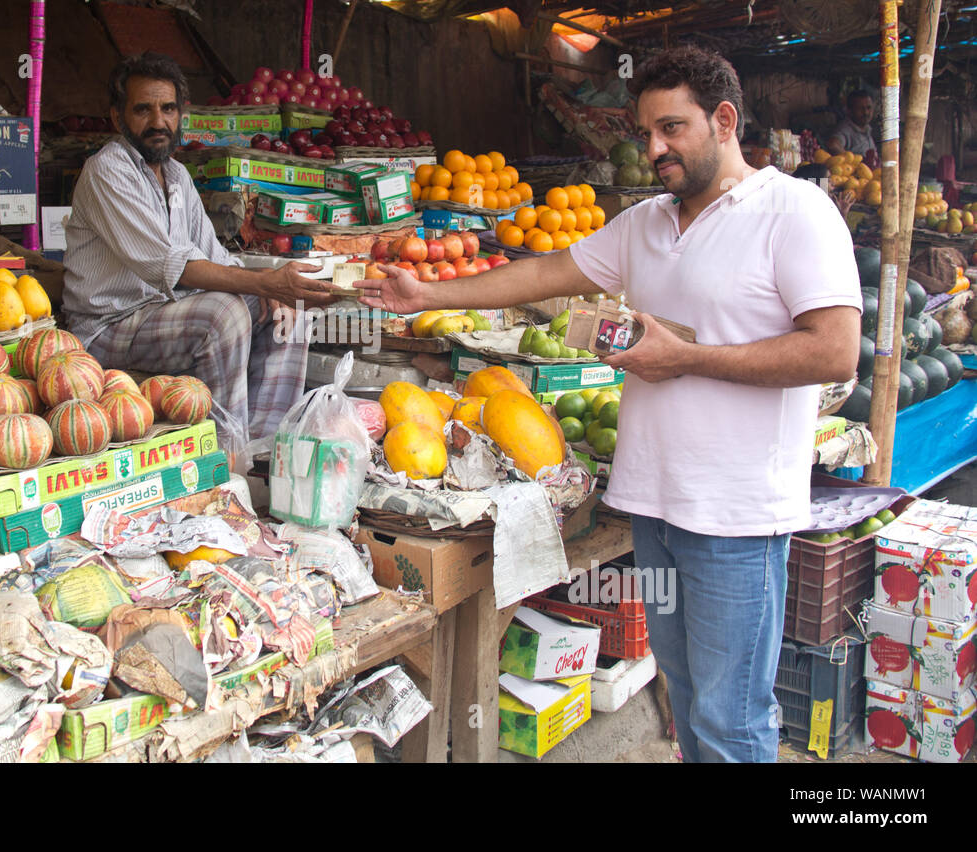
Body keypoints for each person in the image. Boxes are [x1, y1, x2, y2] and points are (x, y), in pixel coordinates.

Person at [357, 45, 861, 763]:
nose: (654, 149)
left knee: (731, 717)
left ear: (724, 120)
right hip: (657, 507)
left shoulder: (795, 211)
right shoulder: (647, 223)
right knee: (689, 702)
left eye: (672, 129)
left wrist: (685, 358)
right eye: (646, 133)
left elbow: (834, 351)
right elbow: (543, 273)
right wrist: (429, 292)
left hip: (737, 518)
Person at [62, 52, 339, 444]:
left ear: (180, 115)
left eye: (168, 109)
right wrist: (263, 283)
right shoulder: (108, 170)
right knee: (223, 313)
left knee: (287, 312)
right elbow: (171, 266)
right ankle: (226, 457)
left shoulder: (176, 176)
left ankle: (264, 449)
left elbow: (214, 256)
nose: (158, 121)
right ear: (117, 117)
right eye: (143, 109)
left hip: (161, 317)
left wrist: (269, 288)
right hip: (108, 328)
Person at [826, 90, 876, 156]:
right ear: (849, 110)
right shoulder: (845, 130)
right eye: (860, 108)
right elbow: (832, 144)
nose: (866, 112)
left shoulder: (866, 128)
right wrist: (852, 162)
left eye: (868, 108)